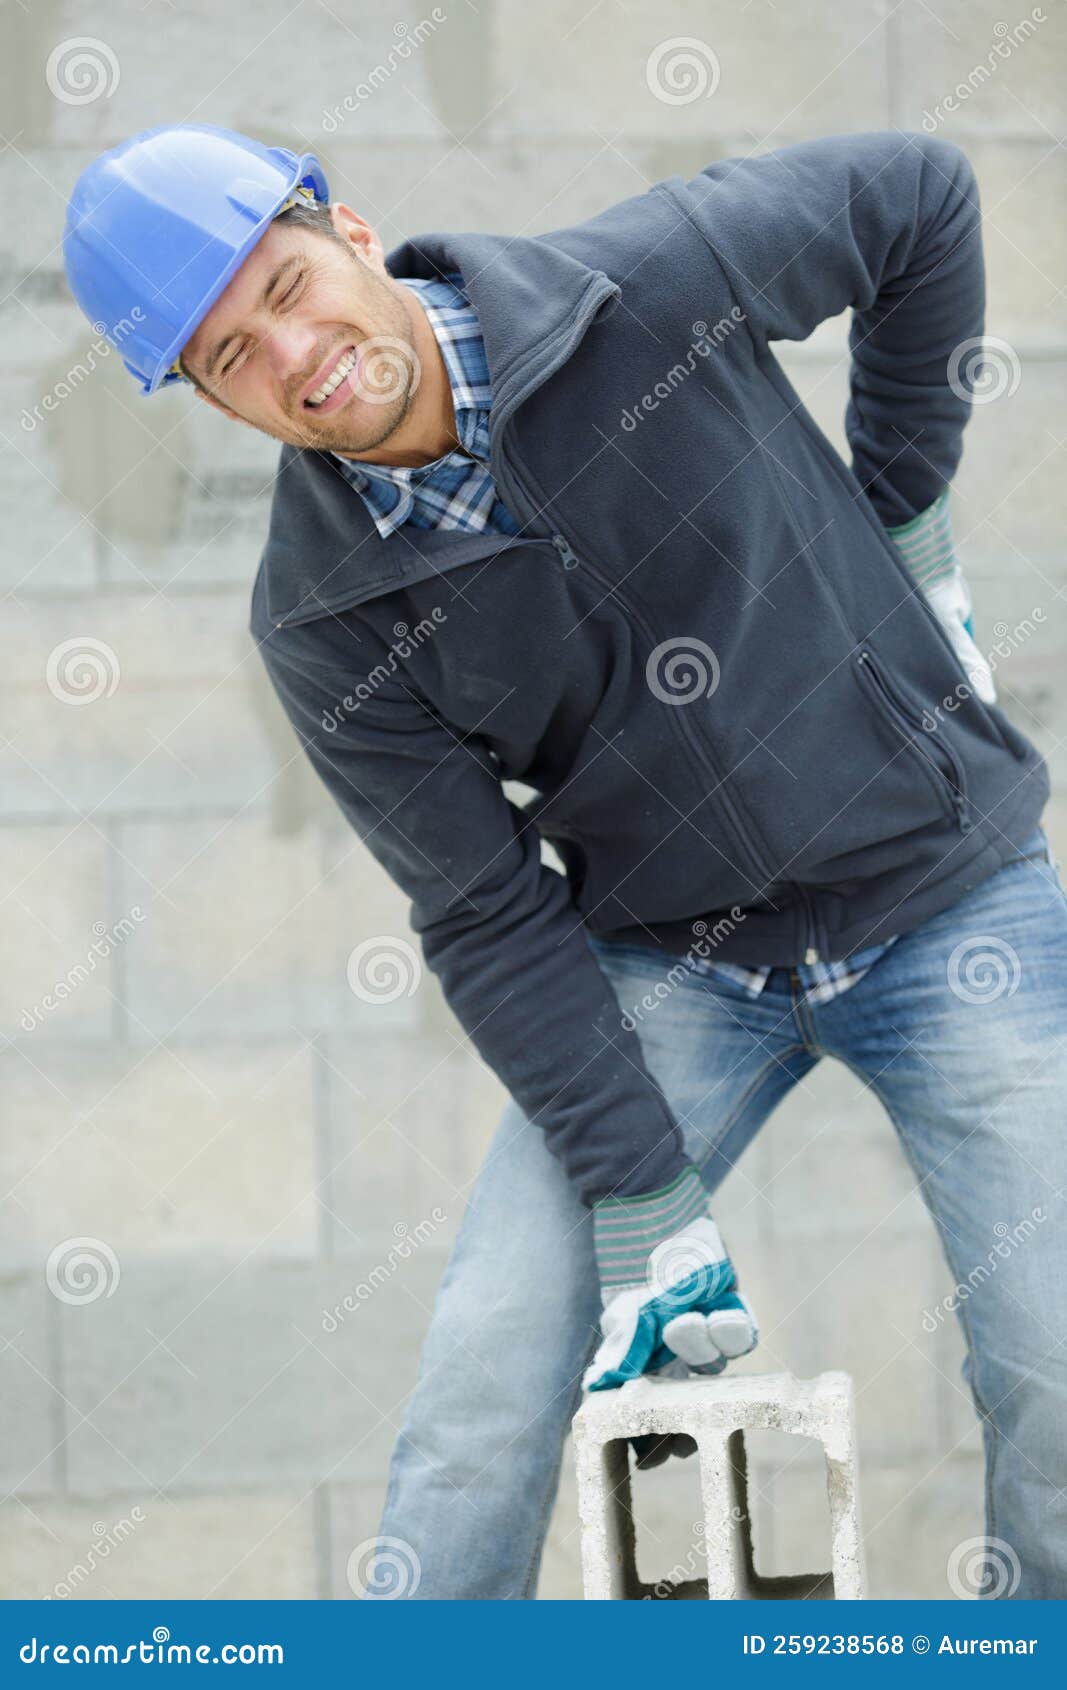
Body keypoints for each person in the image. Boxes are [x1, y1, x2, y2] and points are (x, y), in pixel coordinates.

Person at [63, 124, 1065, 1599]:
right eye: (230, 359)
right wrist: (640, 1192)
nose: (294, 355)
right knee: (481, 1390)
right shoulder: (323, 615)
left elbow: (922, 198)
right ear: (214, 399)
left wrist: (903, 504)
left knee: (1054, 1354)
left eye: (285, 286)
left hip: (942, 893)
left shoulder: (644, 288)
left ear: (349, 226)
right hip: (677, 961)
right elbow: (483, 911)